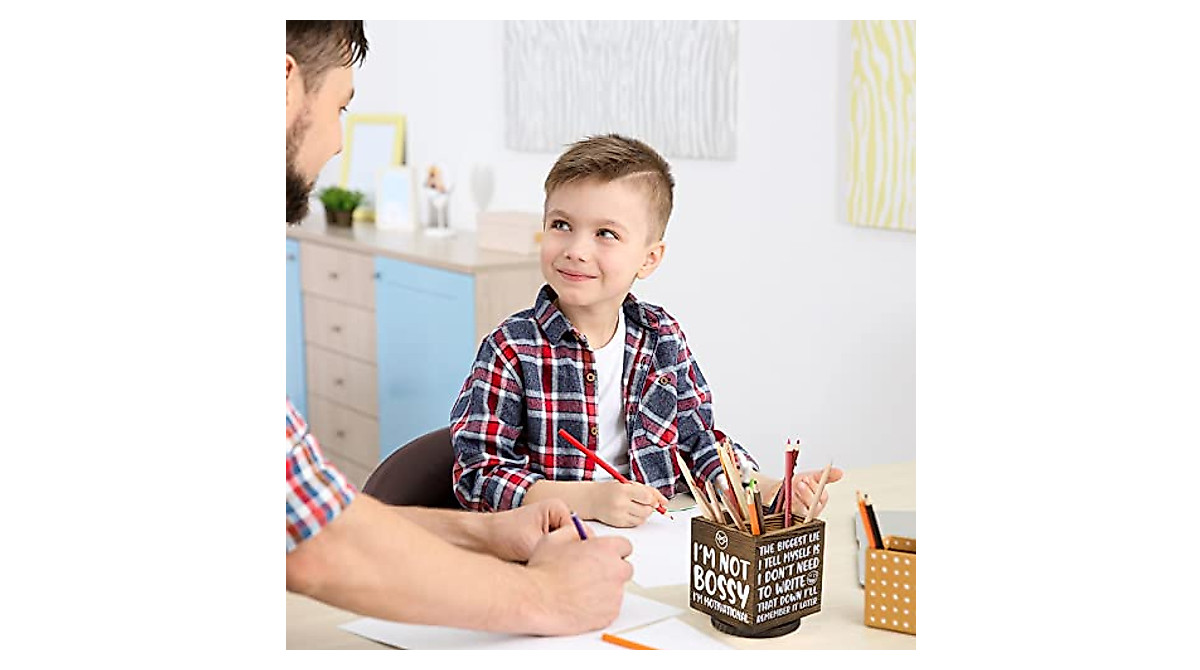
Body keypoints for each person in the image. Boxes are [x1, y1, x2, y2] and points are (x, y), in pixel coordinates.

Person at [284, 21, 633, 636]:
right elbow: (313, 541)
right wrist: (542, 596)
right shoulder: (512, 345)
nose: (339, 143)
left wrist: (486, 533)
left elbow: (302, 514)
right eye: (341, 107)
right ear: (283, 87)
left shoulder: (657, 337)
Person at [450, 134, 844, 527]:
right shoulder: (512, 348)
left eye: (605, 233)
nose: (576, 249)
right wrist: (587, 500)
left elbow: (698, 444)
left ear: (649, 259)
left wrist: (765, 489)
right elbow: (479, 477)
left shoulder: (662, 338)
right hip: (552, 546)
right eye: (561, 225)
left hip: (653, 541)